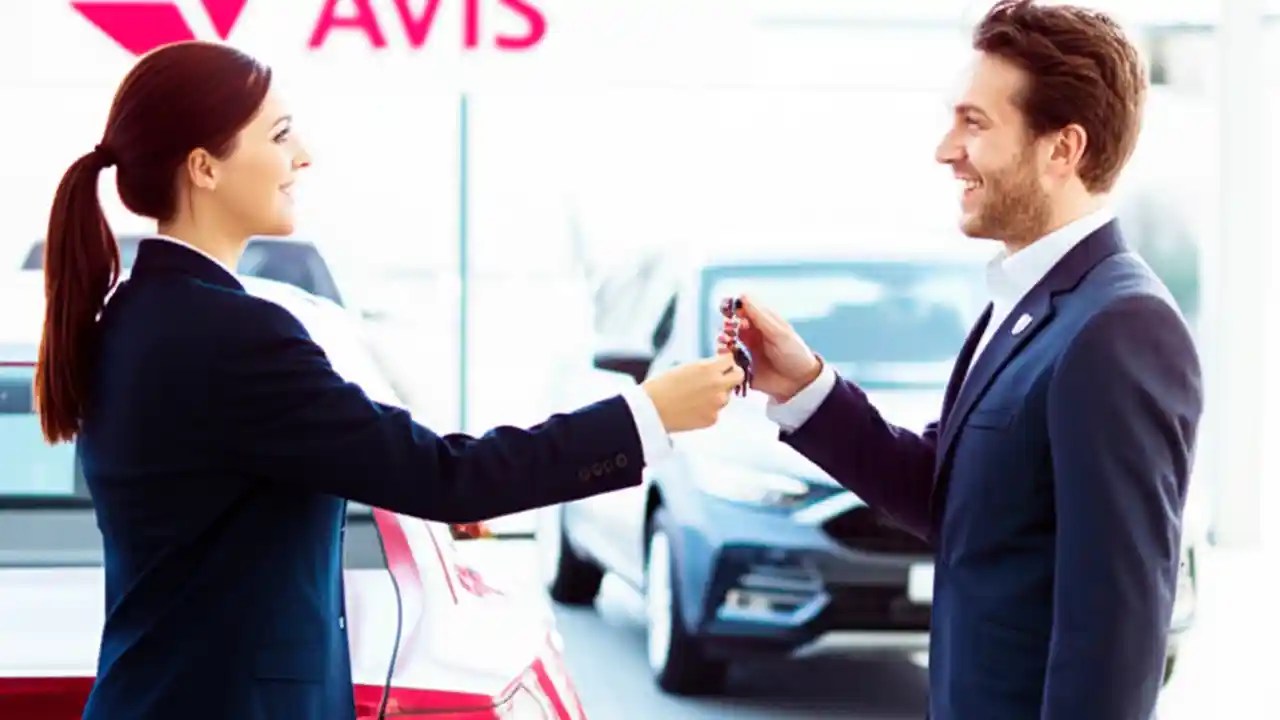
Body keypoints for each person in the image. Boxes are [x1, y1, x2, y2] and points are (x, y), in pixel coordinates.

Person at [35, 41, 743, 720]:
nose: (303, 155)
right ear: (204, 168)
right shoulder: (232, 334)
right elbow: (448, 477)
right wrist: (646, 415)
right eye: (279, 135)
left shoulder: (134, 316)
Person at [722, 2, 1202, 719]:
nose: (946, 150)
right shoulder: (1024, 304)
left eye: (974, 123)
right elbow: (952, 499)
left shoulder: (1121, 329)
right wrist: (805, 386)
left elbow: (1116, 633)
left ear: (1062, 149)